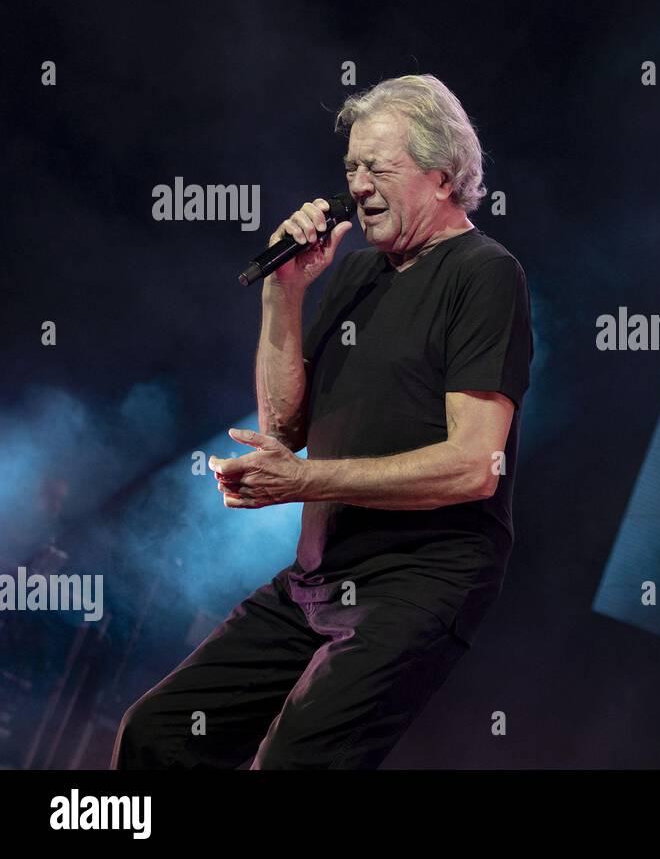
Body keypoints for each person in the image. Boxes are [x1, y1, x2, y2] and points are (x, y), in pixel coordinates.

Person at [112, 74, 532, 769]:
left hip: (417, 583)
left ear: (442, 176)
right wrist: (285, 295)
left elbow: (473, 466)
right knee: (157, 735)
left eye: (379, 167)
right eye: (351, 167)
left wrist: (302, 481)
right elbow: (284, 427)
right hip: (318, 577)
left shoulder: (484, 274)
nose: (358, 184)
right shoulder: (357, 275)